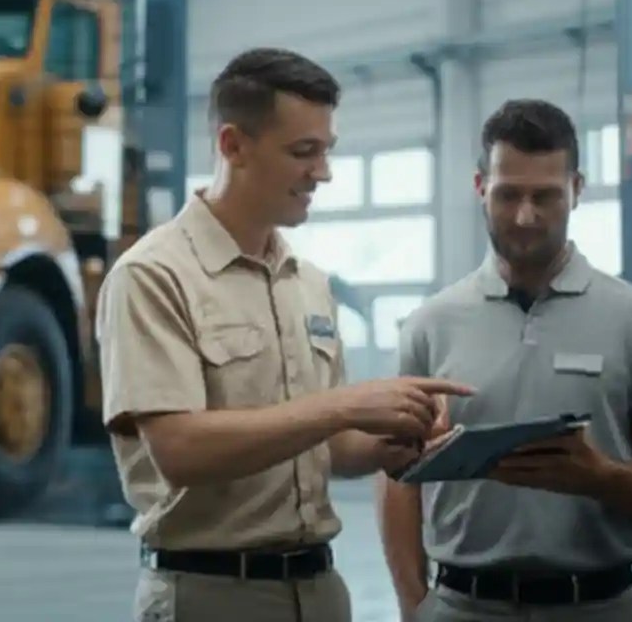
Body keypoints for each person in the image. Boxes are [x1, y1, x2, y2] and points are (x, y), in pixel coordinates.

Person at [95, 47, 474, 622]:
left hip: (318, 590)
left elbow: (330, 448)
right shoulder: (153, 276)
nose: (323, 172)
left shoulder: (308, 283)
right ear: (233, 146)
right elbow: (179, 449)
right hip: (210, 595)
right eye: (303, 152)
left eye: (326, 150)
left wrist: (393, 445)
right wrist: (344, 406)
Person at [377, 99, 632, 621]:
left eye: (545, 196)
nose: (525, 216)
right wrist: (412, 603)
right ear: (480, 187)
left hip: (597, 606)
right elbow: (396, 477)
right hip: (461, 607)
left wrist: (600, 477)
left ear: (577, 188)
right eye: (508, 194)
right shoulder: (430, 324)